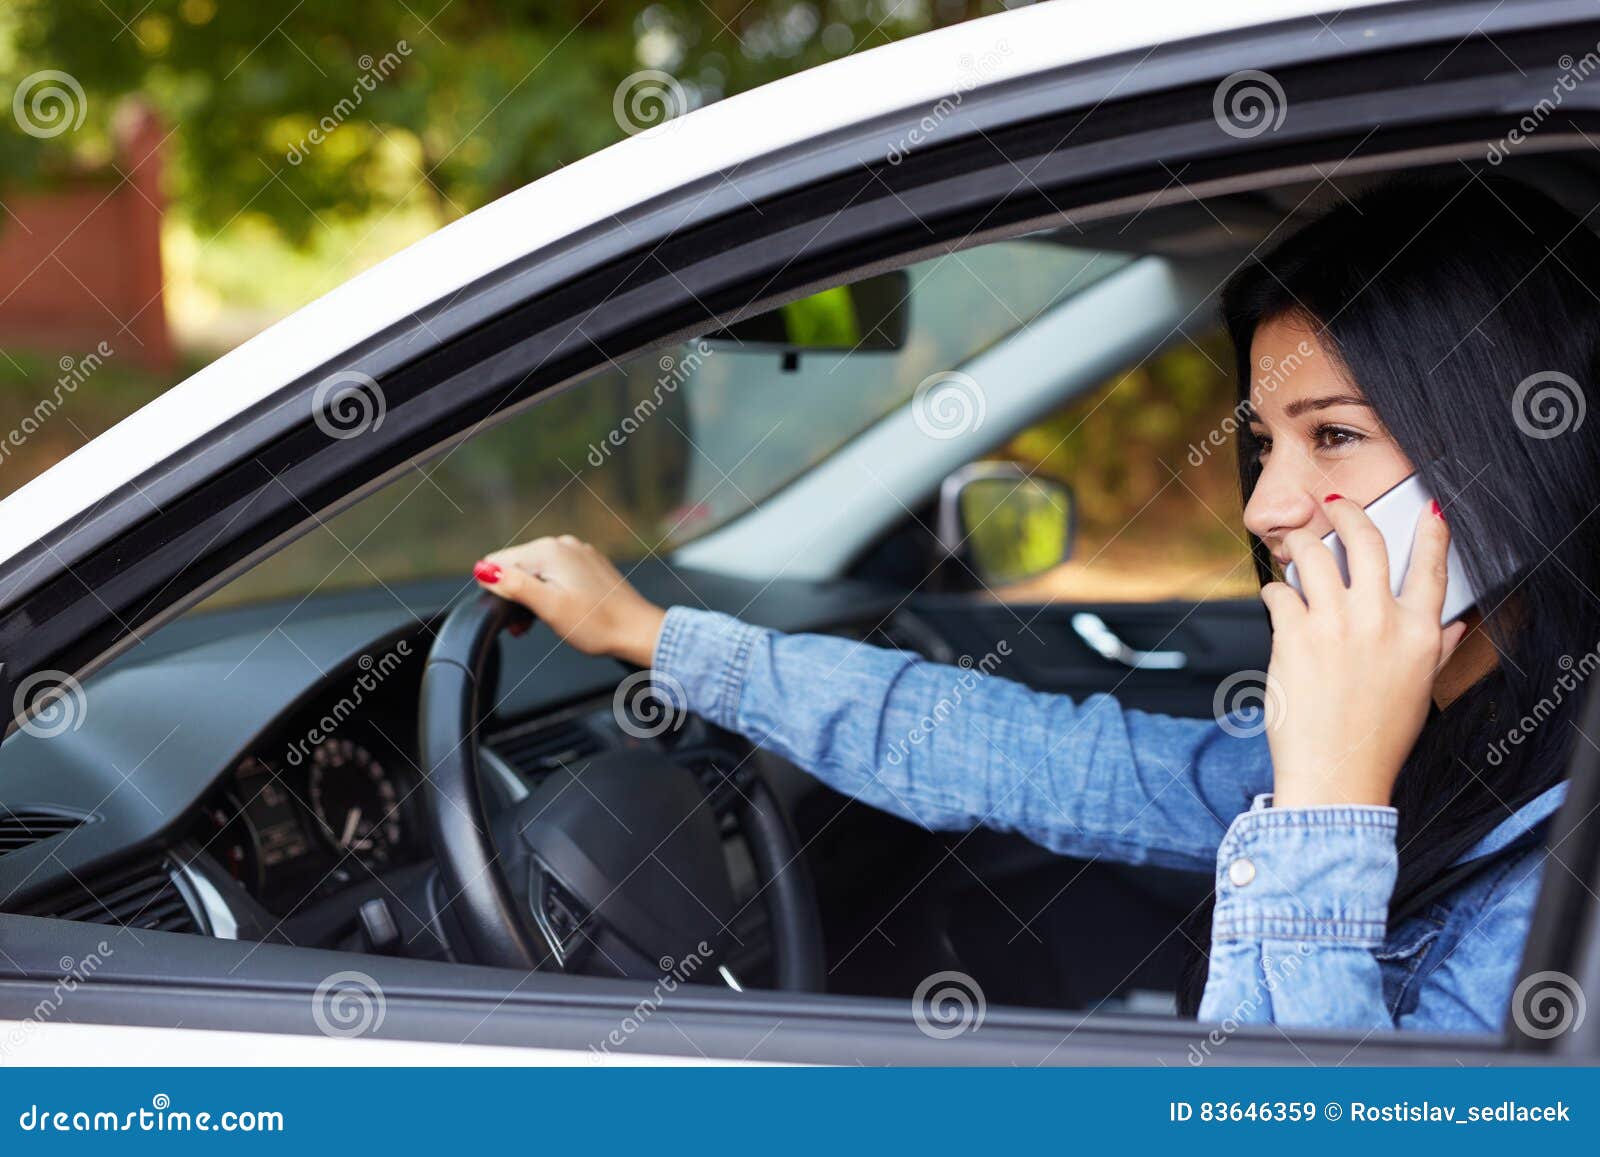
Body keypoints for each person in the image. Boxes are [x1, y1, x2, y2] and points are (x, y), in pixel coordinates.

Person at [470, 173, 1600, 1030]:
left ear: (1518, 454)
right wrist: (653, 636)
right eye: (1261, 444)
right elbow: (1032, 756)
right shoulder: (1442, 730)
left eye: (1335, 436)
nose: (1263, 506)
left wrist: (1328, 806)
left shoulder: (1557, 879)